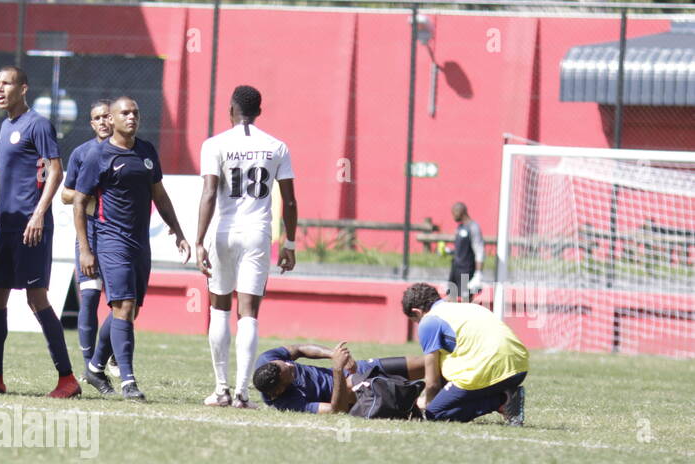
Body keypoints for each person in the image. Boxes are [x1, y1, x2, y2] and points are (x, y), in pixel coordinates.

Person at [72, 95, 191, 401]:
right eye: (124, 113)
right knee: (122, 306)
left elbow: (159, 195)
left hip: (141, 243)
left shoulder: (146, 151)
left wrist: (178, 231)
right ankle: (128, 380)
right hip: (111, 241)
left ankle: (96, 366)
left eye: (135, 112)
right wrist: (85, 249)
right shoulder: (98, 156)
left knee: (130, 308)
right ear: (111, 119)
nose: (131, 117)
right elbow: (79, 201)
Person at [0, 65, 79, 399]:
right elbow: (11, 177)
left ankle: (67, 378)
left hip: (31, 228)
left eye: (6, 83)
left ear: (23, 88)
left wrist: (39, 214)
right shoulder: (5, 126)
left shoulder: (37, 124)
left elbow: (56, 171)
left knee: (36, 299)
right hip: (7, 227)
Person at [196, 84, 297, 409]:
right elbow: (291, 200)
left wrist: (199, 240)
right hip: (258, 234)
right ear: (259, 111)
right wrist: (290, 242)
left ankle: (221, 389)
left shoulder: (215, 144)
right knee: (249, 313)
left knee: (219, 308)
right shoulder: (276, 146)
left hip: (223, 232)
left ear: (230, 110)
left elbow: (210, 193)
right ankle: (242, 393)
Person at [401, 282, 527, 424]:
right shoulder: (468, 306)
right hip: (519, 368)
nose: (419, 324)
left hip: (490, 370)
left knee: (435, 414)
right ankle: (505, 394)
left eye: (416, 321)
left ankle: (502, 400)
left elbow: (432, 383)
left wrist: (427, 408)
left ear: (417, 312)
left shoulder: (429, 320)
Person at [60, 98, 112, 370]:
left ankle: (110, 353)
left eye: (107, 116)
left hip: (117, 239)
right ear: (91, 123)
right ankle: (88, 364)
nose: (103, 121)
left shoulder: (128, 151)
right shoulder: (82, 153)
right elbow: (65, 194)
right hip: (90, 236)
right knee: (90, 298)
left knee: (121, 305)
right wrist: (87, 199)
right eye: (97, 117)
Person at [253, 343, 424, 414]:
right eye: (289, 372)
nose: (291, 366)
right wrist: (337, 369)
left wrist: (333, 355)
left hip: (360, 369)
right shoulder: (288, 403)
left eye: (287, 363)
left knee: (424, 364)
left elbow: (299, 349)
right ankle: (415, 400)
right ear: (280, 389)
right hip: (350, 391)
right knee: (351, 383)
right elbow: (337, 410)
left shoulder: (267, 360)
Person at [448, 202, 484, 302]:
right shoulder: (460, 227)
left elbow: (479, 251)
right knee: (451, 298)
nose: (453, 216)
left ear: (460, 211)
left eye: (453, 213)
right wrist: (450, 252)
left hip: (466, 271)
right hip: (455, 269)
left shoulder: (473, 227)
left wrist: (478, 274)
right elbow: (462, 249)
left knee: (465, 300)